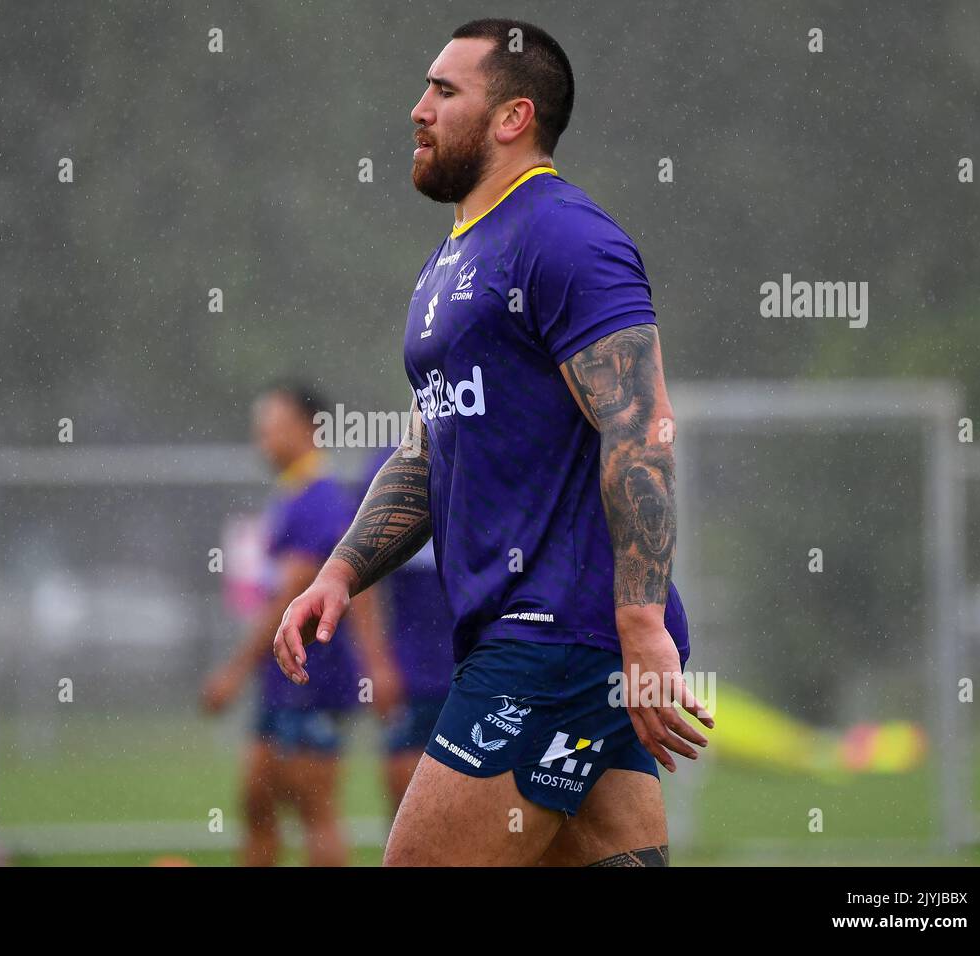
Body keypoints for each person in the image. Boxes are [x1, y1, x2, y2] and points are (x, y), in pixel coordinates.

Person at [272, 19, 715, 866]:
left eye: (444, 91)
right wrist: (340, 572)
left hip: (557, 639)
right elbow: (429, 452)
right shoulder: (453, 260)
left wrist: (640, 618)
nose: (418, 109)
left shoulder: (564, 236)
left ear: (513, 117)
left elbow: (641, 423)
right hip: (539, 643)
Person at [201, 383, 398, 865]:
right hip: (279, 680)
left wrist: (233, 671)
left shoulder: (321, 500)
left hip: (314, 677)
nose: (262, 438)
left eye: (273, 426)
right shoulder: (291, 497)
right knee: (258, 801)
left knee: (314, 807)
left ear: (311, 428)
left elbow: (287, 600)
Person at [354, 444, 455, 812]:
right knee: (409, 809)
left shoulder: (491, 445)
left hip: (489, 666)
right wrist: (377, 664)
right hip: (415, 670)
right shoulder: (395, 463)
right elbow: (362, 578)